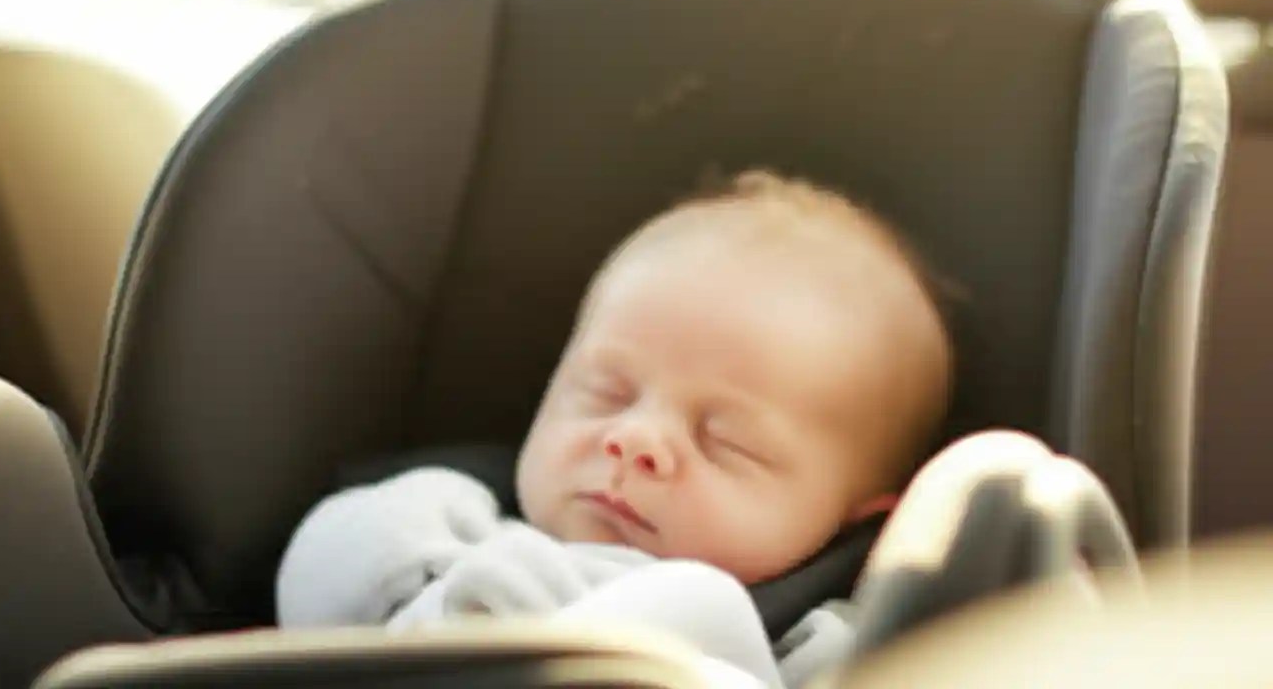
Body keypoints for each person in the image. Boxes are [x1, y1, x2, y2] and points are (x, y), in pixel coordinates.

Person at [276, 169, 953, 688]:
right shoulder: (445, 519)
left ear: (849, 521)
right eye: (607, 394)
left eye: (726, 443)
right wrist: (479, 591)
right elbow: (316, 583)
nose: (635, 439)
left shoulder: (823, 645)